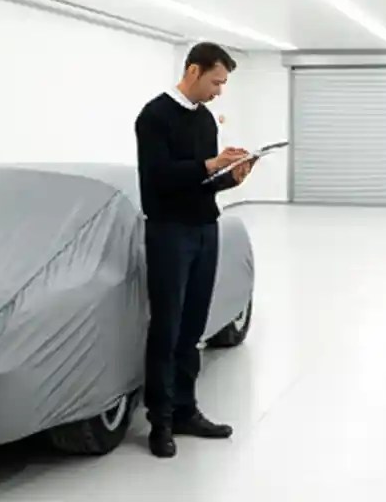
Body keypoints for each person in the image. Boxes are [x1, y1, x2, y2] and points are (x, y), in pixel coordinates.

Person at [134, 41, 255, 458]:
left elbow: (200, 183)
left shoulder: (205, 121)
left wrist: (231, 177)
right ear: (193, 71)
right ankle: (160, 422)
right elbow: (158, 178)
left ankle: (186, 410)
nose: (219, 91)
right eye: (216, 81)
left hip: (205, 229)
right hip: (169, 232)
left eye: (223, 84)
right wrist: (209, 165)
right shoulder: (154, 116)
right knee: (166, 328)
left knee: (193, 328)